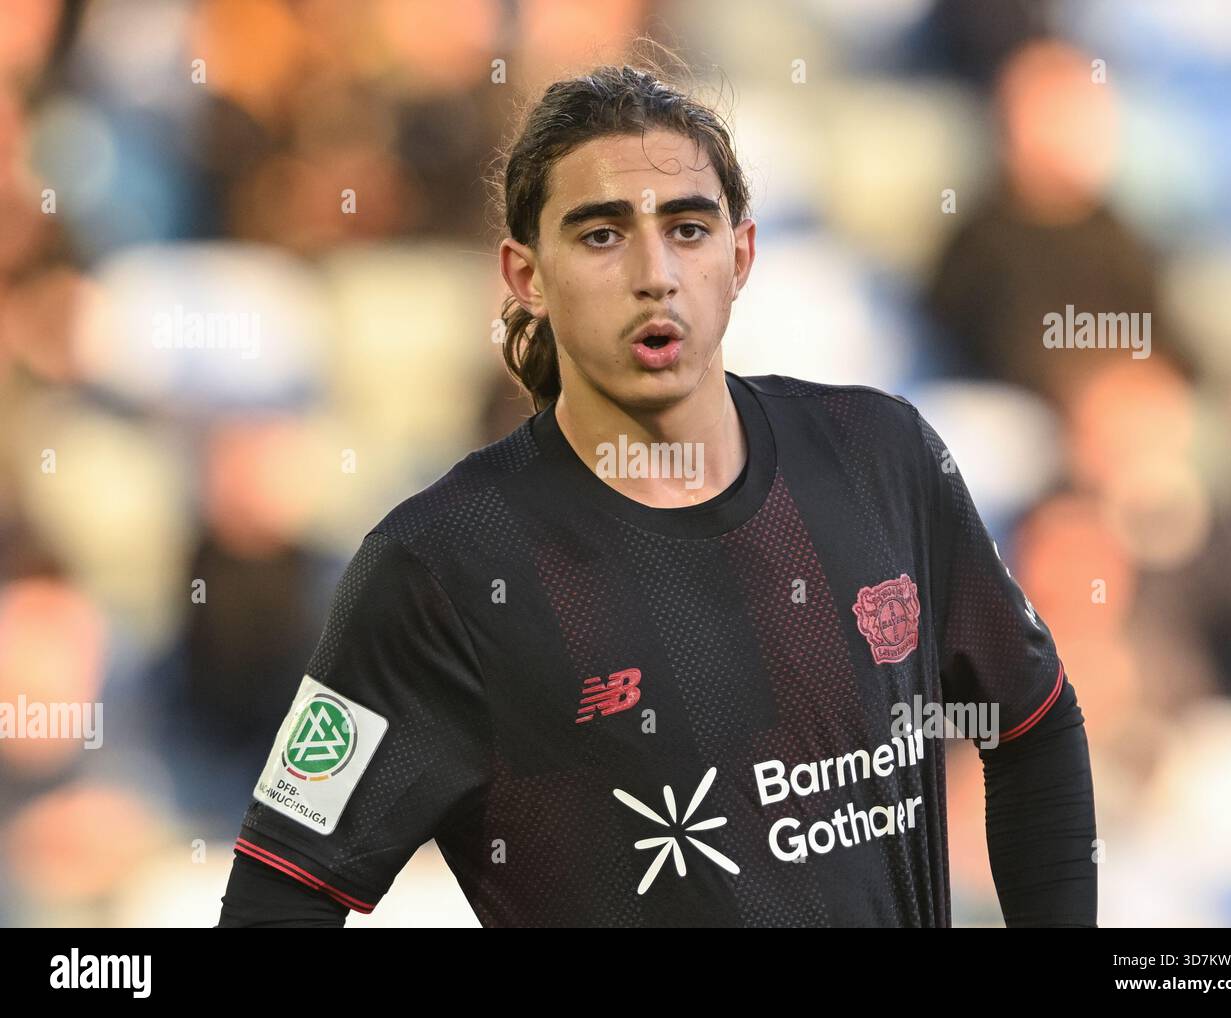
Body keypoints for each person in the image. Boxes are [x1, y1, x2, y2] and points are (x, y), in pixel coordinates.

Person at [217, 58, 1097, 928]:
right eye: (601, 234)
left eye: (687, 228)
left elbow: (1033, 724)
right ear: (527, 277)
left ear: (741, 253)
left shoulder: (881, 456)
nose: (656, 274)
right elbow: (281, 892)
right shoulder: (440, 568)